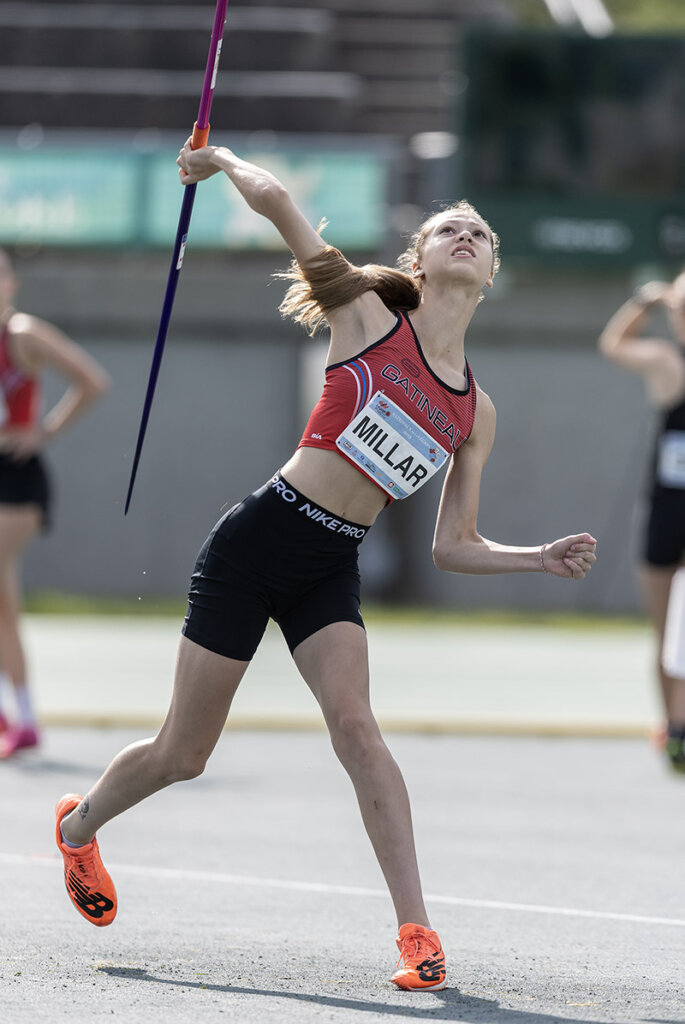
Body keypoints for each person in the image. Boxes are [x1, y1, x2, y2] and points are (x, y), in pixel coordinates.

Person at [54, 141, 597, 991]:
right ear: (418, 260)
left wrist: (536, 557)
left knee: (358, 732)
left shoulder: (473, 411)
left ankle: (416, 933)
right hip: (257, 542)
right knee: (184, 754)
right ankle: (80, 828)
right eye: (448, 227)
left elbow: (450, 546)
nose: (465, 235)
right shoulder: (366, 320)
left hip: (328, 565)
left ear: (489, 273)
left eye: (479, 235)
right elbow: (279, 204)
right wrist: (222, 160)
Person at [0, 249, 110, 759]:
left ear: (11, 283)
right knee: (4, 601)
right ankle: (16, 713)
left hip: (17, 479)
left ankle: (20, 714)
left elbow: (92, 381)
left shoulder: (22, 335)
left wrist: (45, 432)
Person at [599, 271, 685, 773]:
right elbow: (612, 345)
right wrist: (646, 302)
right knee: (665, 628)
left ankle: (679, 725)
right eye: (678, 311)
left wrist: (651, 303)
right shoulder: (668, 363)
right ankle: (671, 726)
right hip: (667, 511)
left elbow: (612, 344)